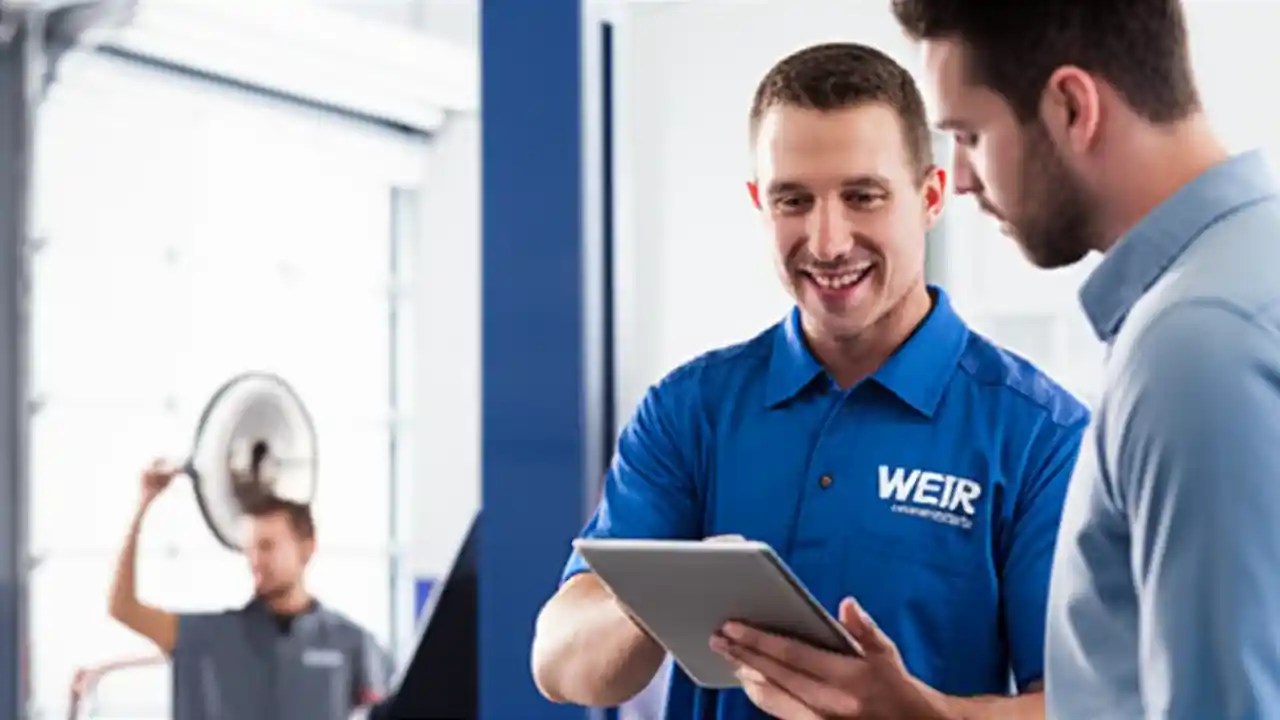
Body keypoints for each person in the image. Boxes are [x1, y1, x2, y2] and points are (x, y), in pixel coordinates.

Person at [531, 42, 1089, 720]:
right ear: (759, 205)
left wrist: (924, 714)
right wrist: (671, 589)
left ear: (931, 196)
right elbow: (560, 664)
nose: (826, 241)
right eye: (793, 200)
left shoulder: (1039, 435)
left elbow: (1081, 705)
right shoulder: (689, 411)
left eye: (863, 197)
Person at [894, 1, 1280, 717]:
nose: (964, 179)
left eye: (969, 136)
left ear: (1073, 106)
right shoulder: (1246, 274)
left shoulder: (1194, 347)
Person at [107, 459, 393, 720]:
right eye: (250, 549)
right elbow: (123, 607)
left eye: (267, 546)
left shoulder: (353, 643)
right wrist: (145, 502)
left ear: (307, 547)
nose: (255, 560)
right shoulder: (208, 636)